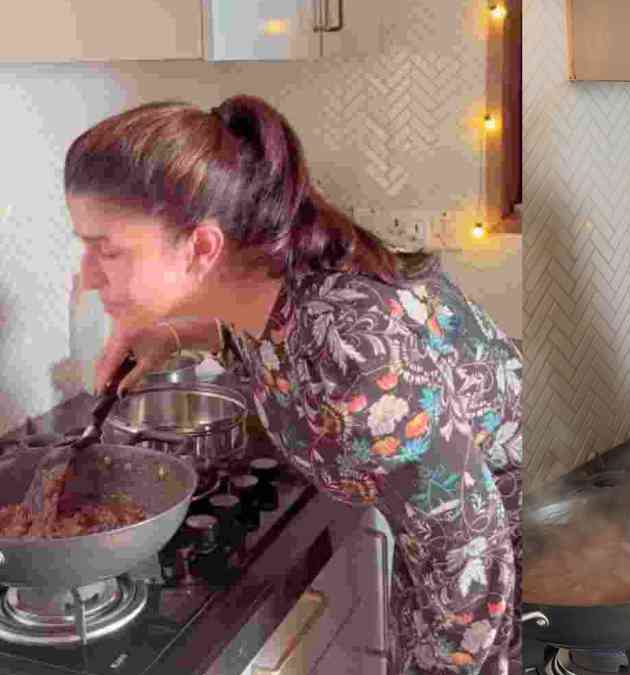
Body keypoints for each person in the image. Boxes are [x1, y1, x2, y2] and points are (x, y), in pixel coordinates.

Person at [67, 95, 522, 674]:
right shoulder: (265, 285)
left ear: (202, 248)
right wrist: (176, 339)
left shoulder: (359, 358)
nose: (86, 274)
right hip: (441, 554)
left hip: (499, 574)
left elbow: (470, 555)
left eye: (106, 249)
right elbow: (274, 340)